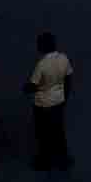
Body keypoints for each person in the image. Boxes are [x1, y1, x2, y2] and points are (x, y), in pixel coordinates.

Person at [28, 32, 75, 171]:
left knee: (43, 132)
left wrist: (27, 88)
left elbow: (34, 84)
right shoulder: (63, 59)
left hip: (43, 104)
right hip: (58, 102)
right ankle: (61, 159)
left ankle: (45, 160)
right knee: (57, 130)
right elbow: (68, 78)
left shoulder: (42, 64)